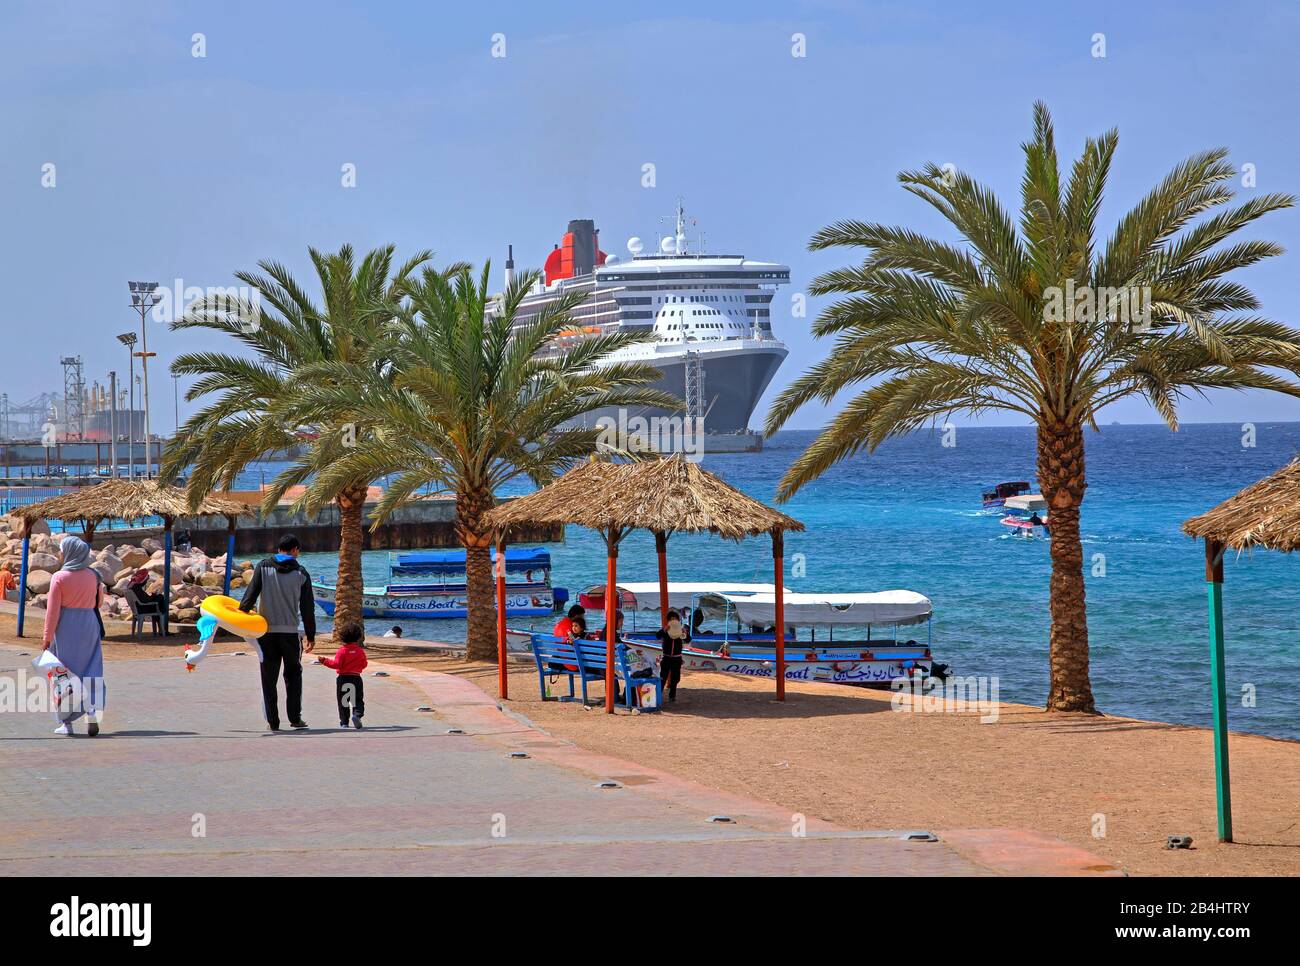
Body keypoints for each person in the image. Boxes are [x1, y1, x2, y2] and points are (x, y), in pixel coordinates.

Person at [239, 534, 316, 731]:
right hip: (290, 634)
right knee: (293, 676)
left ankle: (273, 722)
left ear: (279, 548)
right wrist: (311, 635)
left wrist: (240, 622)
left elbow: (249, 598)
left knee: (268, 677)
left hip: (266, 633)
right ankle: (295, 718)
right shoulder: (302, 573)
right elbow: (308, 608)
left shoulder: (263, 567)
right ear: (295, 550)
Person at [42, 536, 106, 736]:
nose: (60, 554)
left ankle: (66, 723)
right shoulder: (94, 575)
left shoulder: (59, 577)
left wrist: (46, 637)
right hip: (89, 624)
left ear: (69, 552)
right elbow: (99, 603)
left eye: (61, 550)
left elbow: (52, 611)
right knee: (92, 668)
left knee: (62, 674)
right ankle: (92, 709)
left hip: (66, 626)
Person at [321, 621, 369, 729]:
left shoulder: (342, 651)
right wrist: (357, 668)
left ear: (342, 637)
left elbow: (336, 664)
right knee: (357, 699)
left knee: (343, 701)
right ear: (358, 637)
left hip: (343, 679)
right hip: (356, 678)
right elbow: (364, 664)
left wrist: (324, 661)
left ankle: (344, 722)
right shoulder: (360, 651)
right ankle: (357, 715)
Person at [657, 608, 688, 703]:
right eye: (671, 619)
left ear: (678, 621)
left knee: (675, 678)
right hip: (666, 657)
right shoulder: (666, 631)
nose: (673, 621)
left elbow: (688, 640)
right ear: (669, 621)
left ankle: (672, 696)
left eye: (675, 619)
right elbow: (657, 635)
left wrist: (685, 633)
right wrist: (664, 630)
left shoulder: (681, 630)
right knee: (663, 676)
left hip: (677, 658)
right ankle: (659, 695)